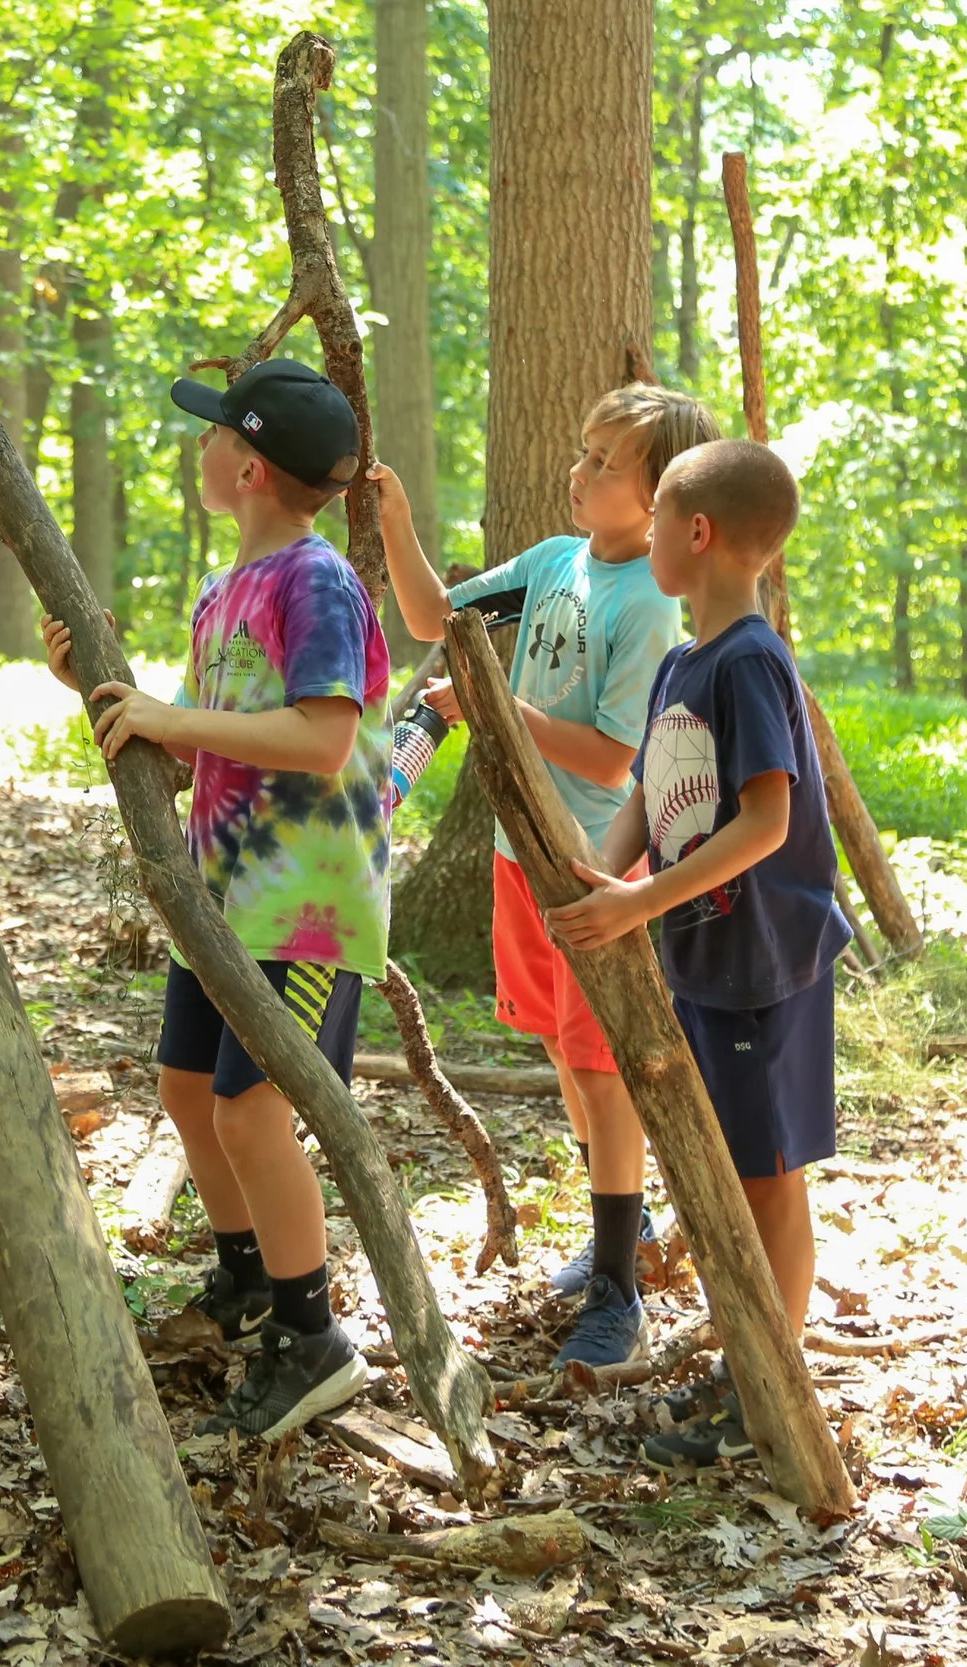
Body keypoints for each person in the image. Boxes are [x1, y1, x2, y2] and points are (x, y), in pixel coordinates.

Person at [44, 358, 391, 1441]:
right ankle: (245, 1276)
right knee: (187, 1086)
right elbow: (219, 750)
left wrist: (172, 720)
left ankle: (313, 1334)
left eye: (209, 436)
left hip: (306, 906)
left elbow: (324, 735)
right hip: (224, 897)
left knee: (251, 1108)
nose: (196, 448)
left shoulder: (315, 580)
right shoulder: (222, 590)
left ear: (246, 465)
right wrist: (112, 701)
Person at [372, 384, 720, 1370]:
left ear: (657, 496)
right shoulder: (556, 564)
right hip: (522, 856)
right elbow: (437, 616)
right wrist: (398, 521)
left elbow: (615, 757)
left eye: (605, 462)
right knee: (569, 1060)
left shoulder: (651, 602)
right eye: (582, 451)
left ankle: (617, 1293)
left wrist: (493, 707)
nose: (579, 470)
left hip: (597, 869)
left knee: (605, 1071)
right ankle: (623, 1227)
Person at [546, 438, 852, 1467]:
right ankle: (742, 1361)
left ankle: (768, 1380)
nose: (648, 541)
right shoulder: (685, 661)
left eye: (659, 518)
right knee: (727, 1166)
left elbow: (766, 822)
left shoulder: (751, 660)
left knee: (767, 1175)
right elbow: (649, 789)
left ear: (697, 532)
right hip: (707, 956)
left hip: (770, 959)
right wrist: (597, 871)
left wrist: (637, 902)